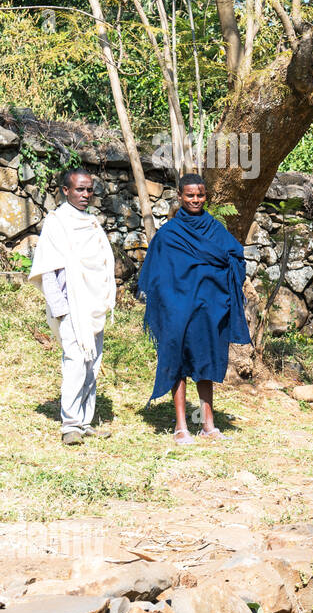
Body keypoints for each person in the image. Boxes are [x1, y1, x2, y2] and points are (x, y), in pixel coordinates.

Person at [138, 174, 250, 444]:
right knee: (178, 362)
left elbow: (235, 255)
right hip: (178, 309)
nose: (195, 200)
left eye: (200, 195)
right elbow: (156, 274)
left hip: (208, 309)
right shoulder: (169, 235)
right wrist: (169, 303)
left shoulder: (214, 228)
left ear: (205, 196)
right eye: (190, 195)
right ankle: (181, 426)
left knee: (206, 362)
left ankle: (208, 425)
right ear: (179, 196)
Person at [28, 169, 117, 446]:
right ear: (65, 191)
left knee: (92, 364)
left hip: (93, 305)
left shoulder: (92, 223)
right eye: (79, 190)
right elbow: (48, 270)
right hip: (70, 307)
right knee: (75, 363)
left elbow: (102, 263)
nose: (85, 195)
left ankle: (85, 421)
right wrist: (60, 309)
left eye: (89, 190)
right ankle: (70, 425)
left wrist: (103, 299)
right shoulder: (57, 223)